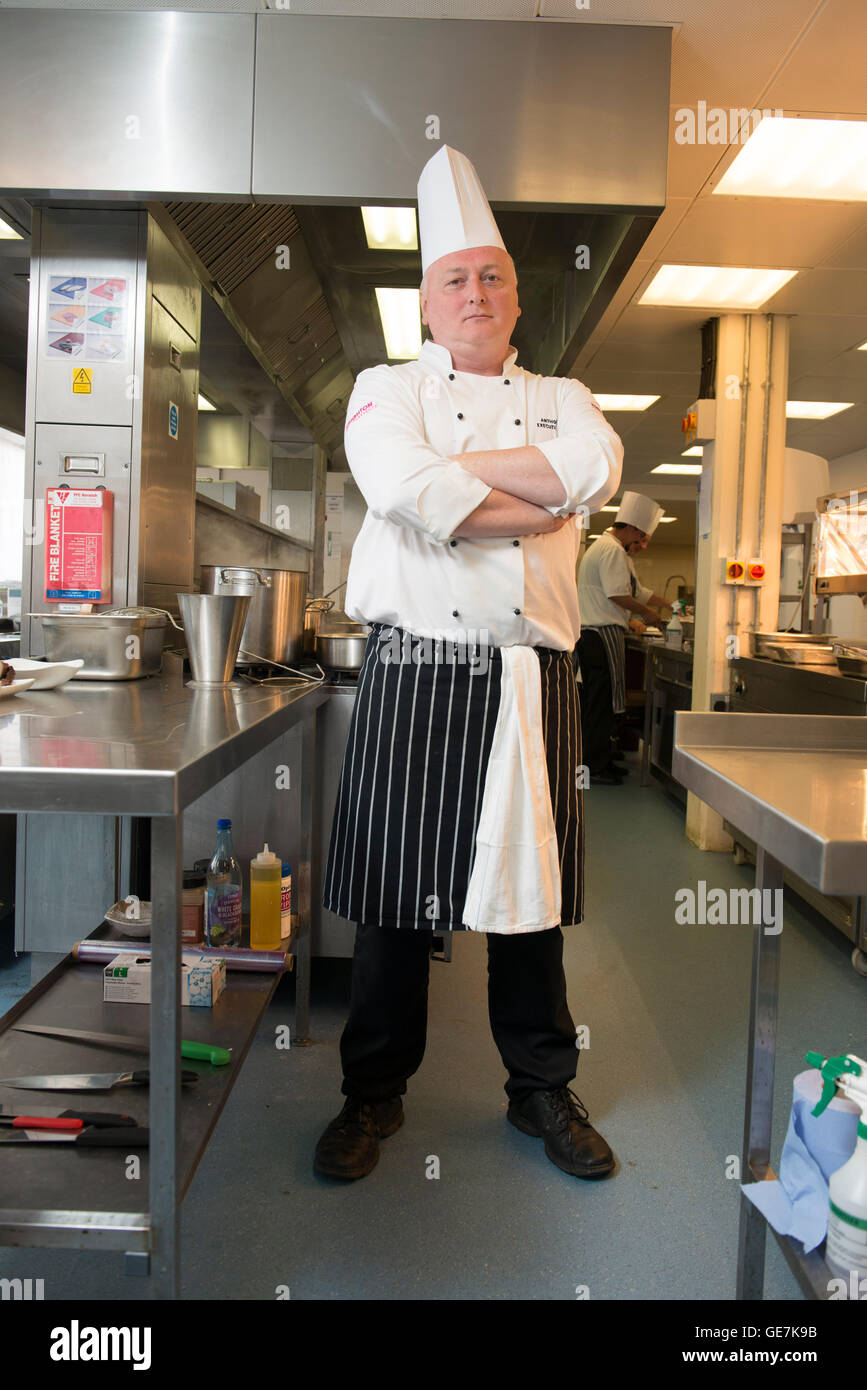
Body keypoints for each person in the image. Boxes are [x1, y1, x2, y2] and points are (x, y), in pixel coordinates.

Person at [316, 145, 623, 1183]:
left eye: (492, 275)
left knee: (527, 906)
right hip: (417, 668)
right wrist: (536, 503)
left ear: (516, 294)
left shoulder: (567, 392)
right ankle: (372, 1097)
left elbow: (596, 467)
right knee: (396, 908)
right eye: (456, 278)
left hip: (533, 678)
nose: (476, 293)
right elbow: (397, 483)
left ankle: (541, 1085)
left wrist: (458, 484)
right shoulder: (381, 386)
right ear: (427, 300)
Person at [575, 493, 672, 784]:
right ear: (630, 528)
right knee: (601, 703)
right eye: (641, 540)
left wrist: (668, 605)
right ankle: (594, 765)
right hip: (599, 636)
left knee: (601, 701)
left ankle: (601, 757)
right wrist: (649, 616)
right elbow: (617, 594)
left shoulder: (610, 548)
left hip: (595, 635)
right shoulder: (612, 550)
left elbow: (637, 591)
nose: (641, 547)